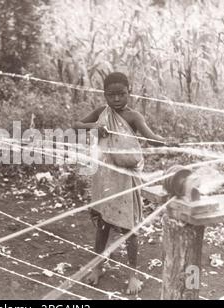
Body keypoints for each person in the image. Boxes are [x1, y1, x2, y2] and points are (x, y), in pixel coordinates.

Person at [73, 72, 177, 295]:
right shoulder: (103, 112)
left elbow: (150, 136)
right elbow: (76, 125)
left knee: (129, 228)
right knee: (102, 224)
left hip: (126, 178)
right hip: (104, 177)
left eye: (122, 94)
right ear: (105, 95)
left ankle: (133, 276)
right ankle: (98, 267)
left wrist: (168, 142)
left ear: (129, 92)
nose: (117, 99)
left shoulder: (133, 117)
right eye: (112, 95)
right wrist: (94, 127)